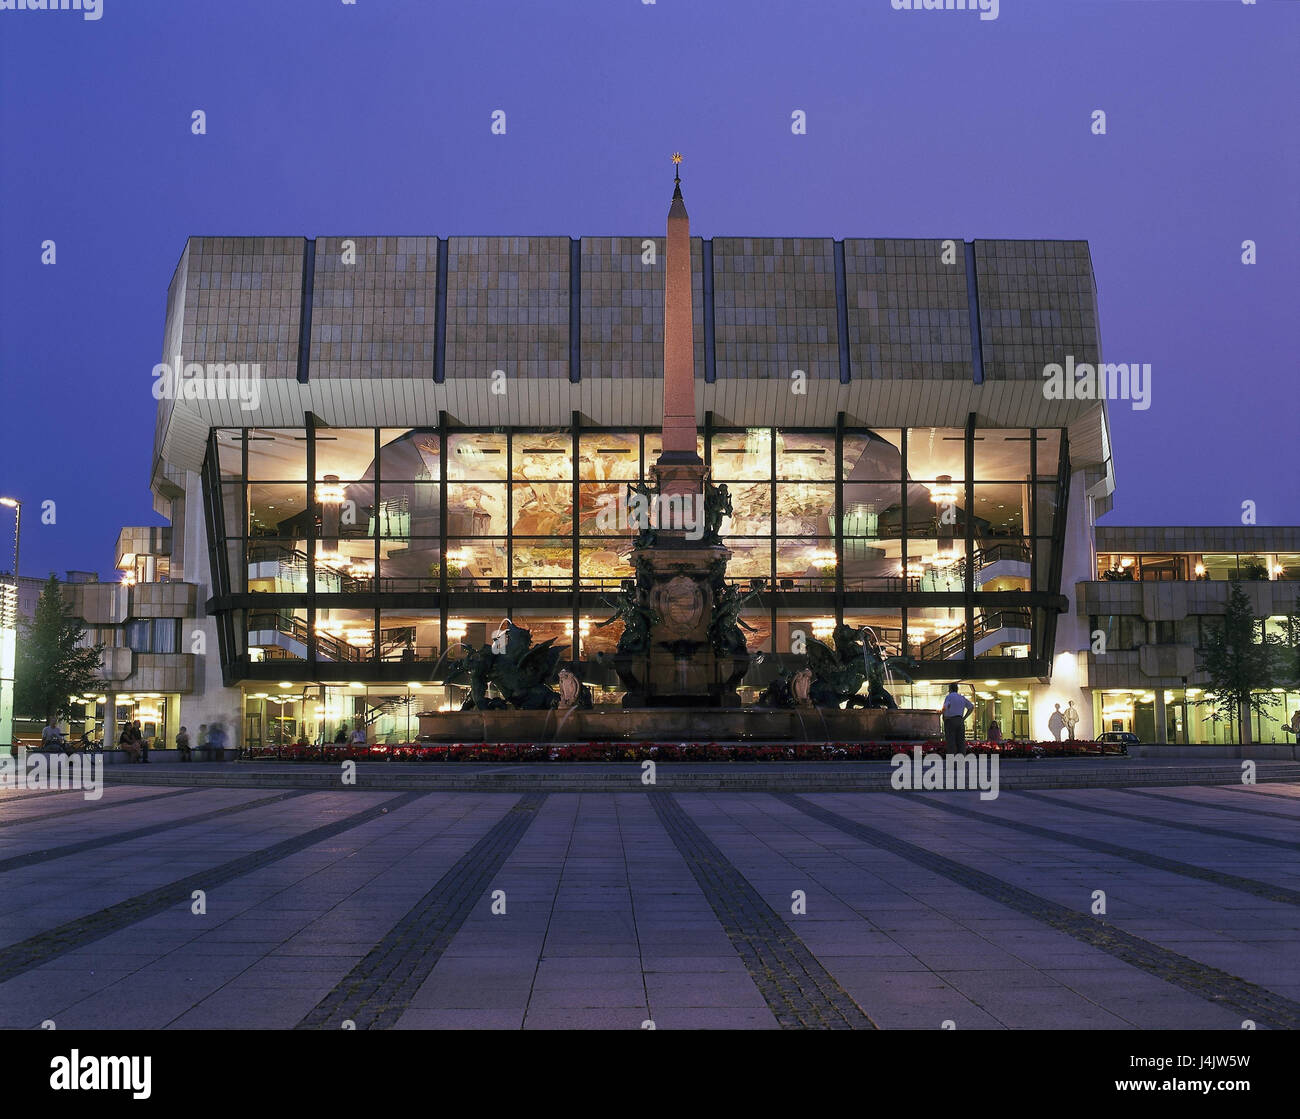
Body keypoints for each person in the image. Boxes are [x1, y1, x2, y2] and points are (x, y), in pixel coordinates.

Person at [940, 683, 974, 755]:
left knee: (951, 742)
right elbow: (971, 707)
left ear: (950, 689)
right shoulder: (961, 697)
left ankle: (952, 762)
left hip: (950, 720)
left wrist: (943, 715)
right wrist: (964, 717)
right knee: (961, 742)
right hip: (960, 720)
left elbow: (945, 707)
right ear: (957, 689)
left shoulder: (949, 697)